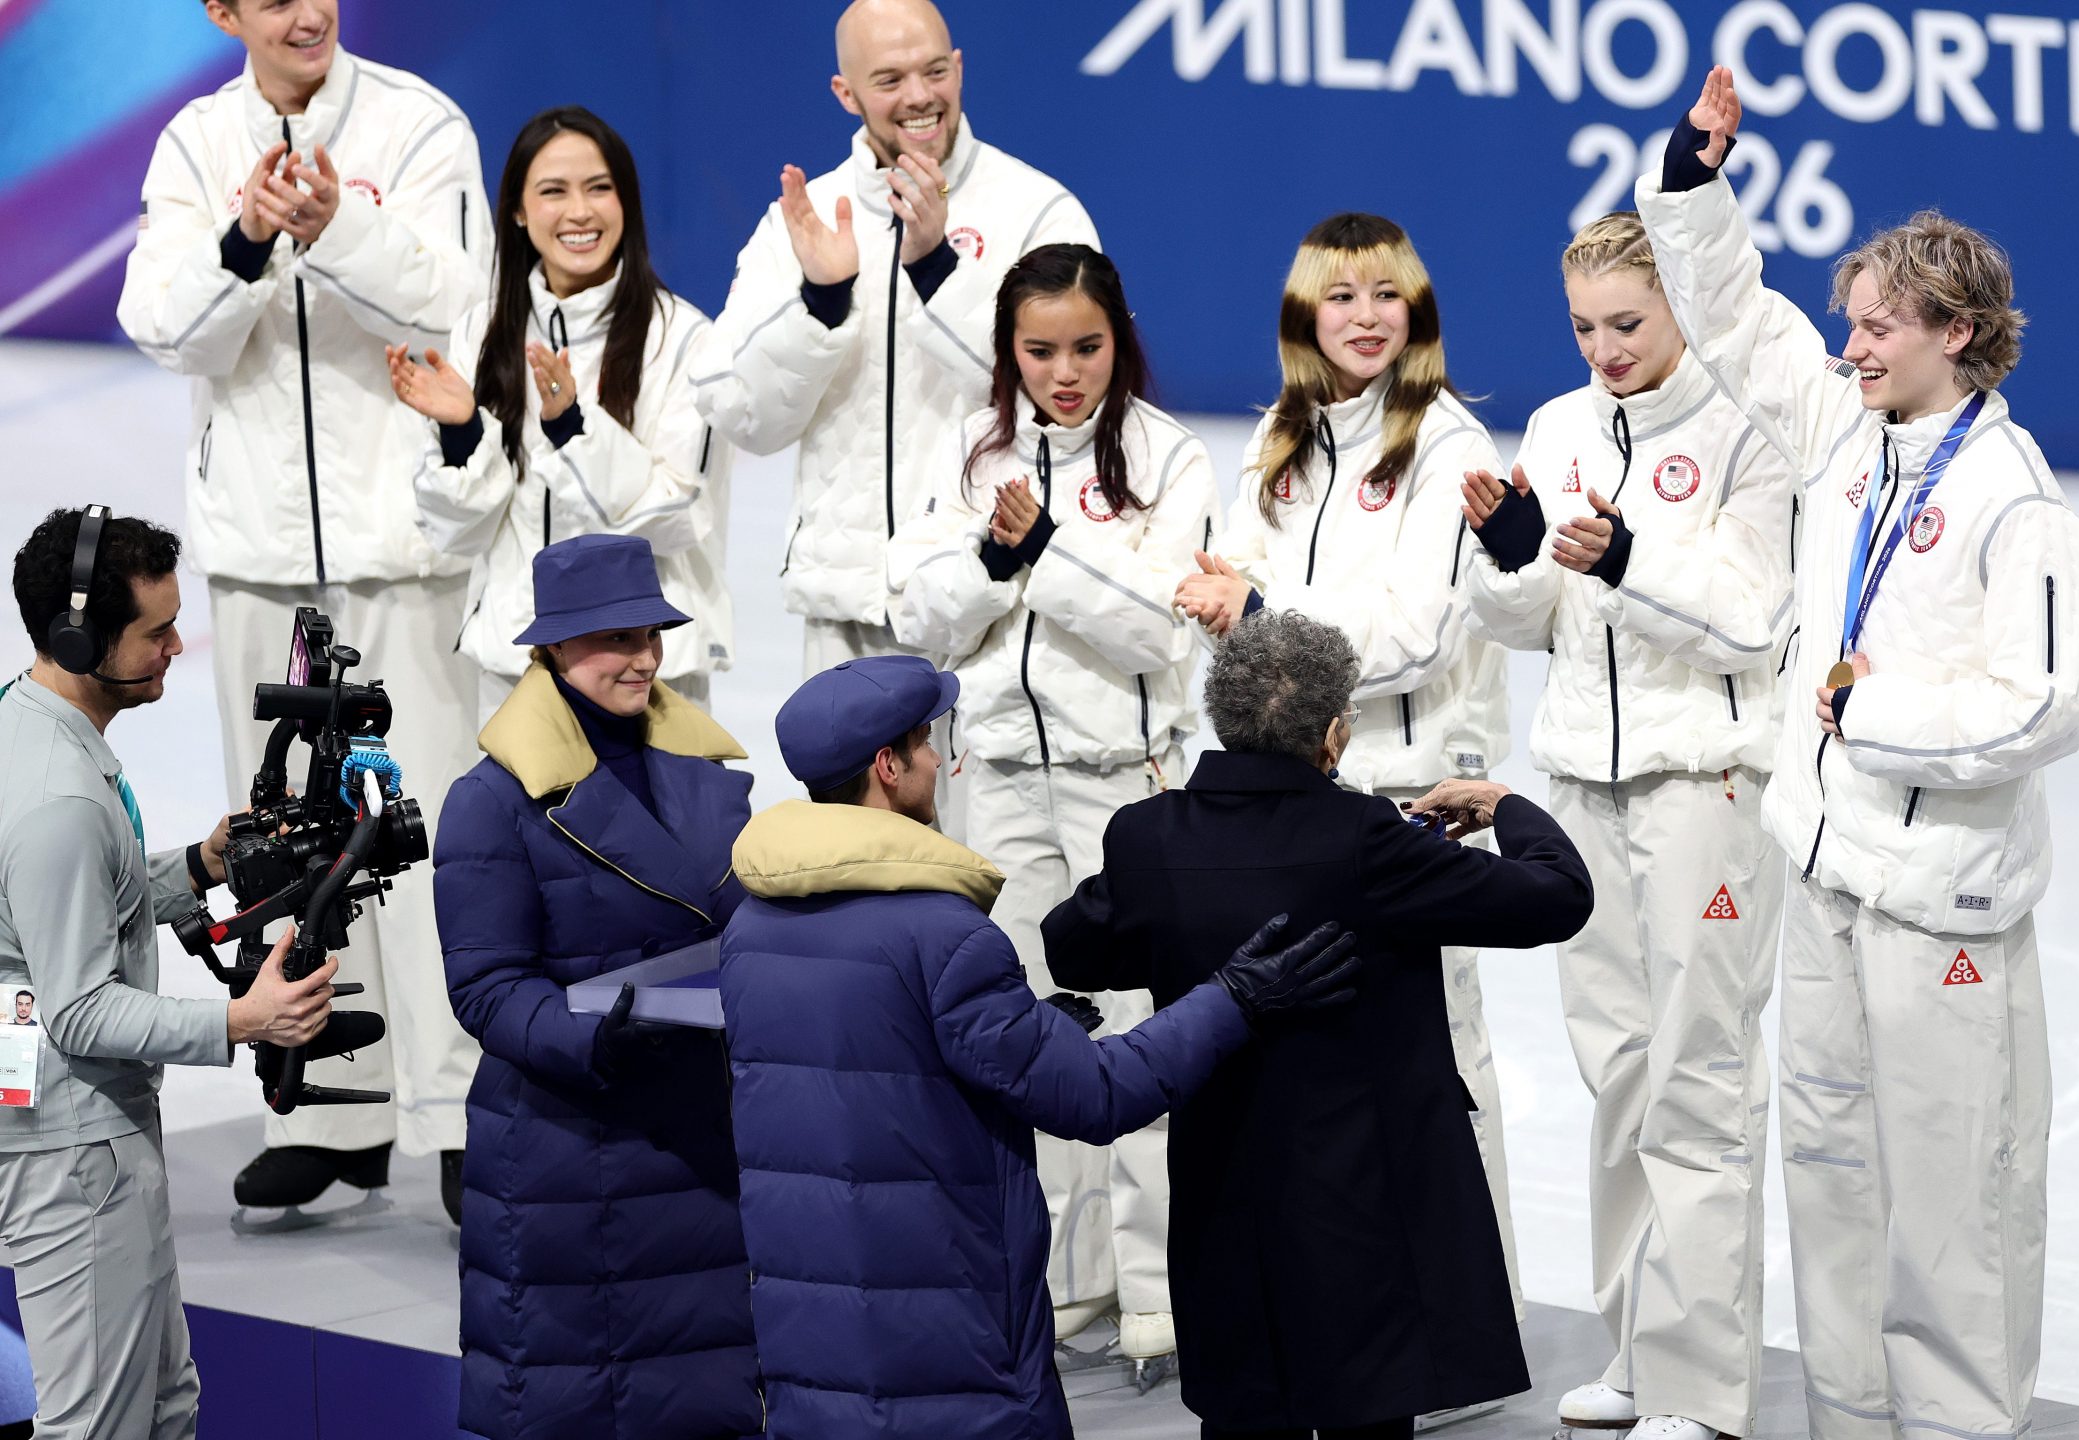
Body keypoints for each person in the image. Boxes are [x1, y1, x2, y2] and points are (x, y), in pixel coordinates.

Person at [1637, 65, 2079, 1440]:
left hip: (1941, 905)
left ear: (1957, 334)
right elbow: (1737, 317)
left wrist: (1869, 712)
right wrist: (1694, 182)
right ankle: (1847, 1417)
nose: (1849, 346)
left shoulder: (2016, 503)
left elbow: (2044, 707)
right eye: (1849, 322)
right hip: (1826, 881)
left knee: (1956, 1198)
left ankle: (1956, 1425)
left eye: (1878, 326)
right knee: (1831, 1171)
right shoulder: (1854, 439)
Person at [717, 655, 1361, 1440]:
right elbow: (1096, 1096)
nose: (942, 761)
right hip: (951, 1345)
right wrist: (1233, 999)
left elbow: (878, 1058)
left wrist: (1027, 1030)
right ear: (887, 767)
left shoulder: (752, 927)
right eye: (927, 743)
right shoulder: (944, 933)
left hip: (812, 1336)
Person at [1041, 610, 1596, 1439]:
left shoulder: (1147, 835)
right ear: (1334, 734)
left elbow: (1074, 950)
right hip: (1366, 1217)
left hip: (1221, 1201)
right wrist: (1502, 803)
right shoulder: (1371, 841)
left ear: (1222, 716)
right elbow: (1558, 895)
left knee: (1242, 1419)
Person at [115, 0, 487, 1221]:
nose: (306, 12)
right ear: (223, 12)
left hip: (400, 544)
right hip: (260, 551)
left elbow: (453, 302)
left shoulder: (418, 124)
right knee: (288, 842)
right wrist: (244, 238)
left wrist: (336, 228)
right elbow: (163, 327)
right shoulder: (195, 143)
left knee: (419, 836)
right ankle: (332, 1112)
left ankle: (456, 1109)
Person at [1456, 213, 1797, 1439]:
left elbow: (1753, 623)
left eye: (1627, 323)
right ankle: (1640, 1354)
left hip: (1703, 787)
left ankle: (1703, 1386)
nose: (1604, 348)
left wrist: (1625, 559)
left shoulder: (1749, 426)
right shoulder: (1557, 427)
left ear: (1681, 307)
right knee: (1618, 1077)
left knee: (1697, 1078)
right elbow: (1524, 624)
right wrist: (1508, 558)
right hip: (1581, 790)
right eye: (1583, 327)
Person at [1172, 212, 1525, 1314]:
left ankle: (1470, 1317)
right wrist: (1231, 606)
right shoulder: (1277, 438)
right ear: (1302, 313)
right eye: (1342, 296)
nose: (1367, 318)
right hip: (1301, 783)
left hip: (1412, 788)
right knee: (1320, 1057)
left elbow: (1414, 634)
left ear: (1417, 308)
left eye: (1386, 295)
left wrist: (1260, 608)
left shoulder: (1451, 446)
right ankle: (1353, 1309)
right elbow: (1229, 597)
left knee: (1438, 1059)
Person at [887, 242, 1214, 1365]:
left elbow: (1157, 629)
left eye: (1086, 347)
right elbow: (917, 615)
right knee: (1035, 1026)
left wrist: (1049, 550)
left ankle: (1161, 1287)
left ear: (1119, 339)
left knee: (1140, 1026)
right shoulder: (967, 453)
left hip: (1124, 780)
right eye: (1039, 351)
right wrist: (994, 558)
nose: (1064, 373)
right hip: (999, 777)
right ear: (1007, 351)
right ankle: (1071, 1278)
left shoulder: (1169, 456)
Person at [695, 0, 1100, 843]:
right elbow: (740, 412)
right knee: (859, 877)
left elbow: (1078, 397)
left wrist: (938, 265)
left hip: (988, 608)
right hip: (848, 612)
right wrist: (820, 301)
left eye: (934, 71)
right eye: (889, 79)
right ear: (846, 93)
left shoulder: (1036, 211)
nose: (919, 96)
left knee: (990, 883)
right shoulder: (807, 215)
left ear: (960, 67)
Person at [2, 507, 341, 1439]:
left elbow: (76, 906)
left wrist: (200, 864)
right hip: (76, 1155)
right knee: (101, 1427)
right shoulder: (60, 800)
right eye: (157, 632)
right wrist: (243, 1021)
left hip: (83, 1136)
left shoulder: (28, 726)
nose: (177, 649)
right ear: (81, 638)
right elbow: (79, 1011)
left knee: (163, 1406)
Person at [430, 535, 759, 1439]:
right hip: (575, 1153)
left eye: (650, 635)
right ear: (552, 649)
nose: (644, 658)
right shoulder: (490, 802)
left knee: (704, 1399)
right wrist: (597, 1038)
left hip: (699, 1136)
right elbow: (488, 987)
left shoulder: (704, 773)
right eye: (616, 638)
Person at [394, 107, 734, 724]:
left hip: (651, 673)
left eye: (599, 188)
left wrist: (574, 429)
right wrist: (462, 433)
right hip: (518, 666)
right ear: (518, 211)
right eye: (553, 191)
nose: (579, 212)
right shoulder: (479, 333)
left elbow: (681, 517)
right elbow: (456, 535)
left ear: (626, 202)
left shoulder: (685, 339)